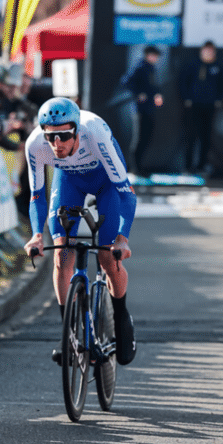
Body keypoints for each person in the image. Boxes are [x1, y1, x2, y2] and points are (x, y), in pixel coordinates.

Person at [23, 97, 139, 367]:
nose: (57, 144)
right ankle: (70, 335)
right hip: (69, 182)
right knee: (62, 253)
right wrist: (36, 235)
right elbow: (36, 195)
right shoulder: (35, 145)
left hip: (107, 183)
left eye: (64, 136)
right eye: (51, 137)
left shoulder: (94, 132)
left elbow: (126, 194)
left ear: (76, 130)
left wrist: (123, 238)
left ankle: (121, 317)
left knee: (108, 257)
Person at [179, 41, 223, 174]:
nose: (208, 53)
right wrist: (186, 98)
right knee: (191, 135)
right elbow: (183, 81)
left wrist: (218, 99)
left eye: (211, 51)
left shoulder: (217, 67)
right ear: (201, 51)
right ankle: (187, 166)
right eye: (206, 50)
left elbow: (222, 84)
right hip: (193, 105)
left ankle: (201, 166)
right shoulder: (193, 65)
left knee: (206, 137)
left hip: (209, 106)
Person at [119, 45, 163, 173]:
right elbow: (126, 81)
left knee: (147, 137)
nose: (156, 58)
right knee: (139, 138)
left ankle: (140, 166)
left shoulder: (152, 69)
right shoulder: (139, 67)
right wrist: (138, 93)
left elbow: (153, 87)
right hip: (140, 109)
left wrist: (157, 95)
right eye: (154, 55)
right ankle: (135, 167)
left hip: (150, 108)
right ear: (148, 55)